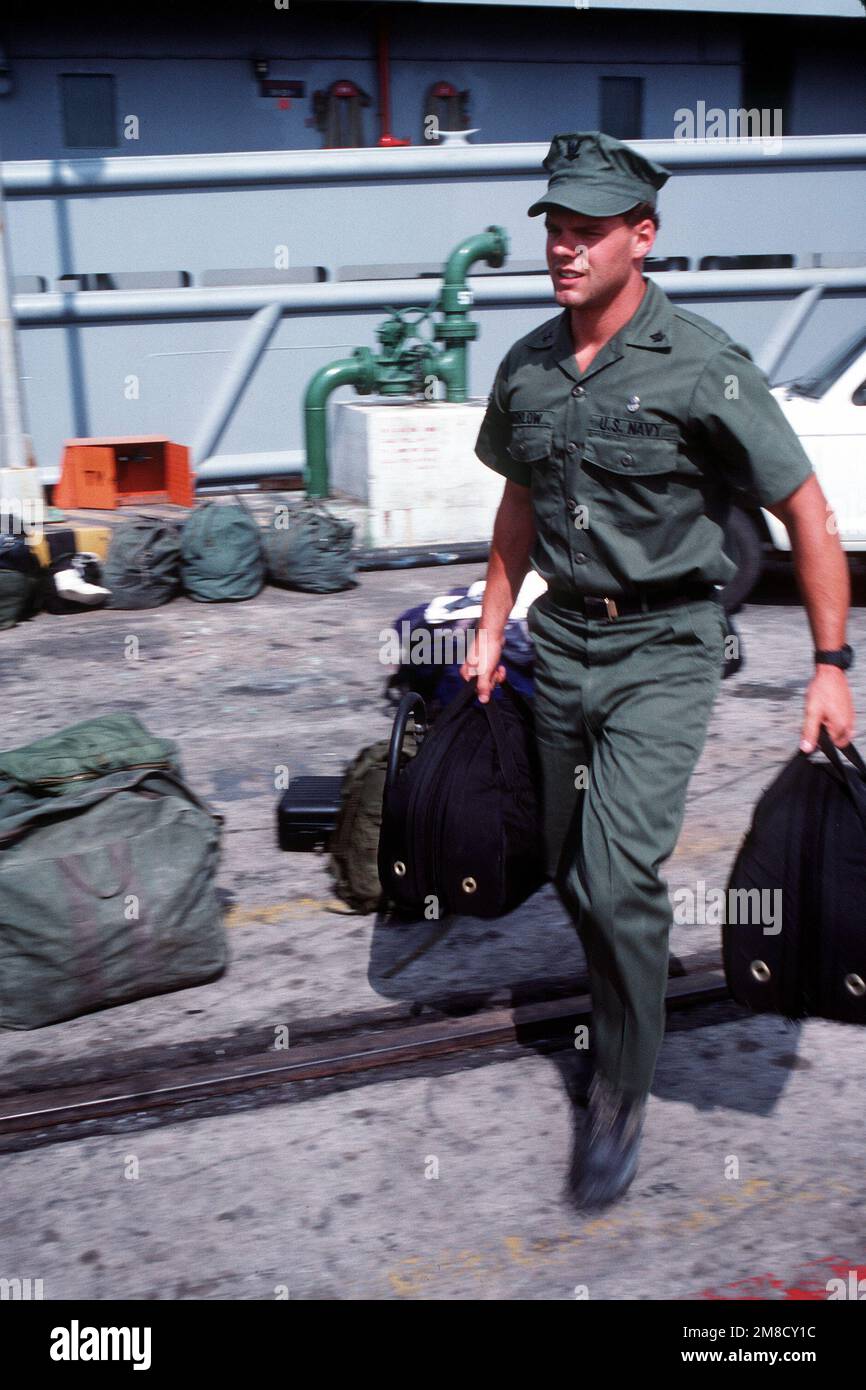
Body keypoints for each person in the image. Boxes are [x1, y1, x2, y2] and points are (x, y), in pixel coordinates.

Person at [461, 130, 855, 1209]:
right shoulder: (529, 365)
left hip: (664, 650)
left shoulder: (703, 362)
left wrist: (828, 663)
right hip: (563, 642)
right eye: (554, 225)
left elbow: (807, 512)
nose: (563, 246)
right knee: (567, 867)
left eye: (587, 228)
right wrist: (493, 623)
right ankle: (625, 987)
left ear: (641, 237)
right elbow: (514, 502)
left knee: (615, 871)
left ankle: (619, 1091)